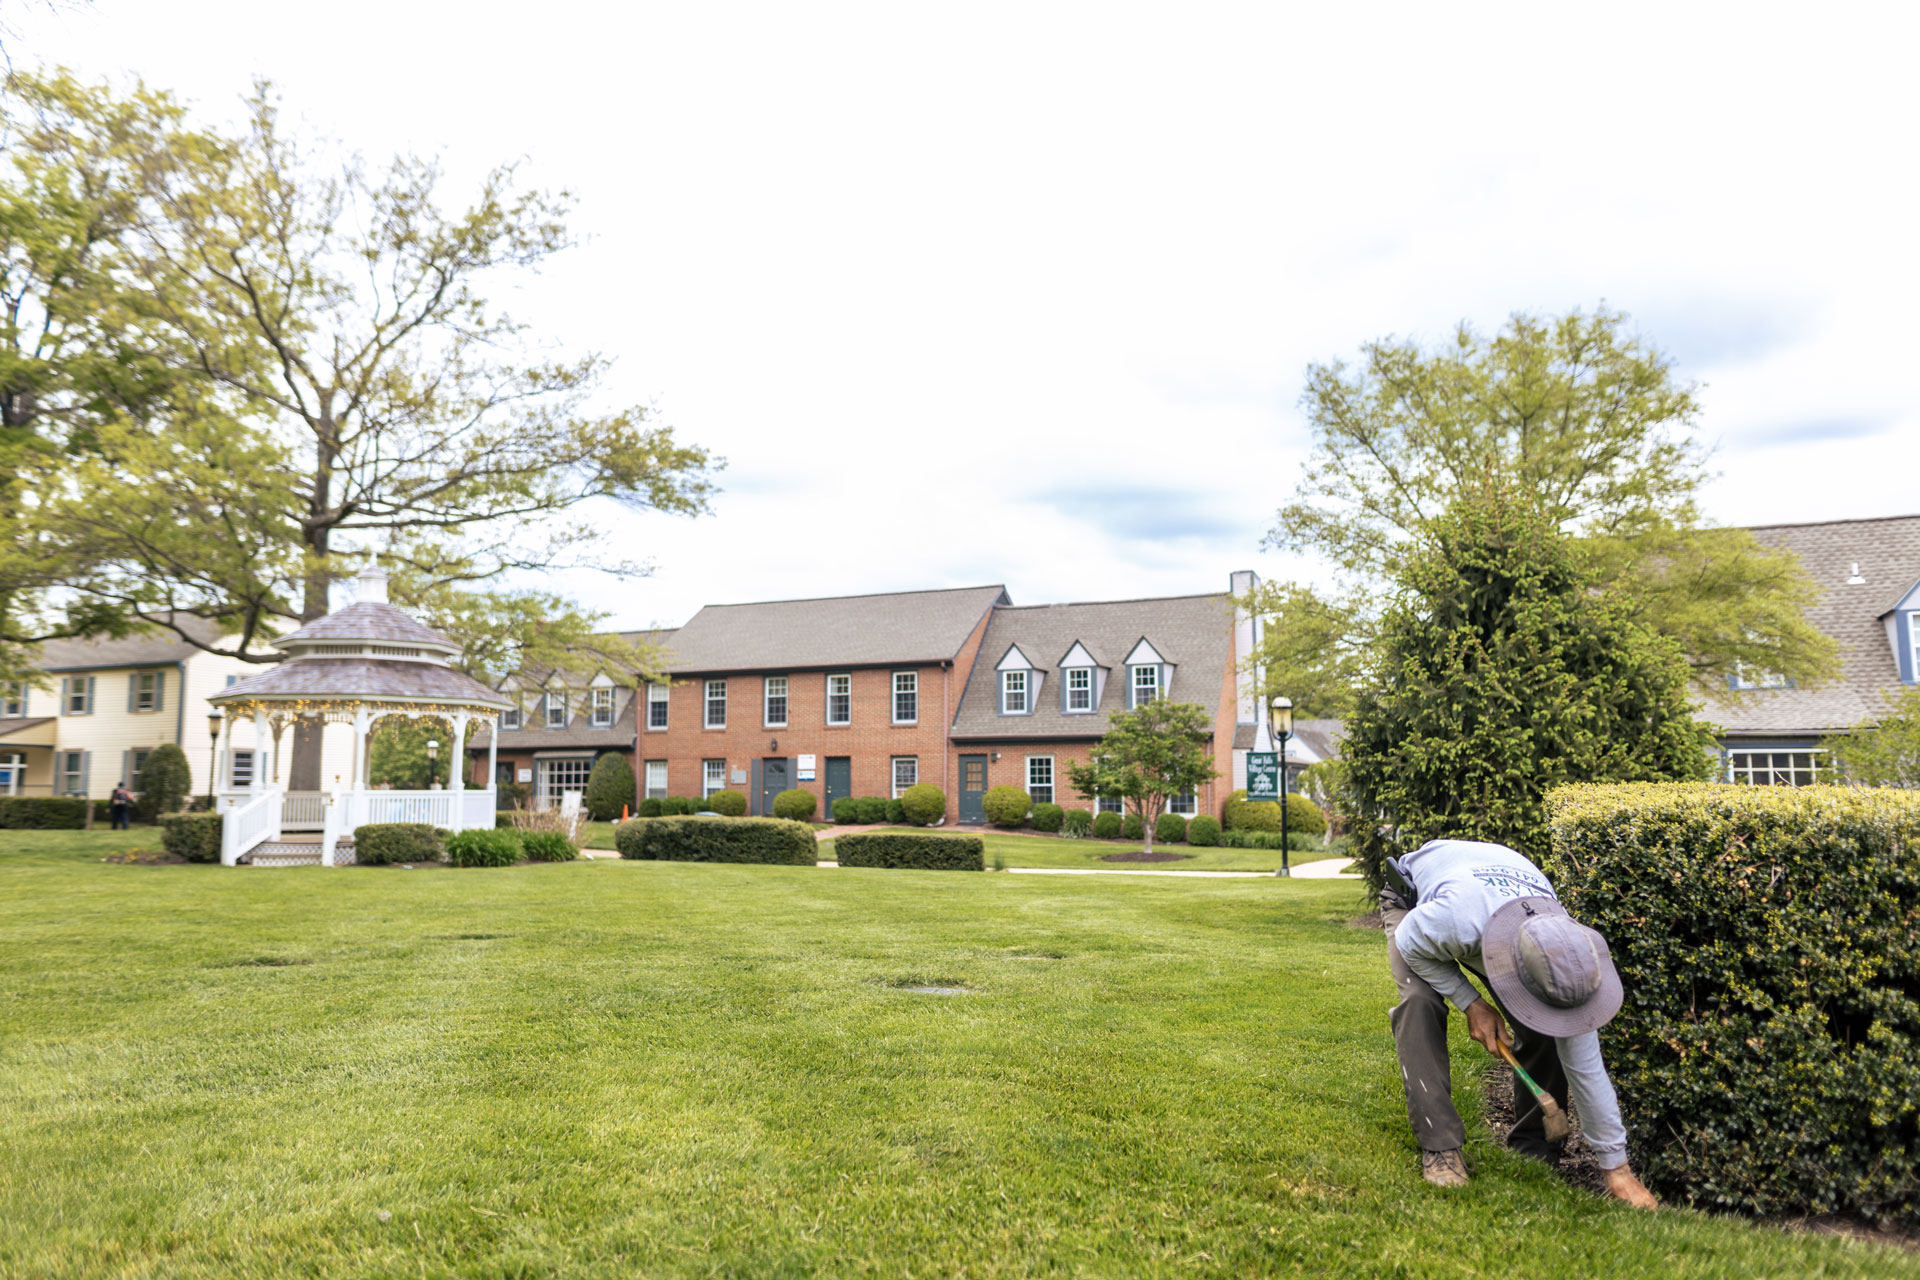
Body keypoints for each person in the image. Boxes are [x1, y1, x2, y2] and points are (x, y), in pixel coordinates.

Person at [1381, 837, 1657, 1207]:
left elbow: (1588, 1070)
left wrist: (1617, 1170)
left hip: (1494, 899)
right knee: (1420, 1002)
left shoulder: (1565, 954)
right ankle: (1441, 1146)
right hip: (1416, 903)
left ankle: (1533, 1149)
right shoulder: (1456, 921)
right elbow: (1411, 942)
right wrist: (1472, 1004)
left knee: (1550, 1024)